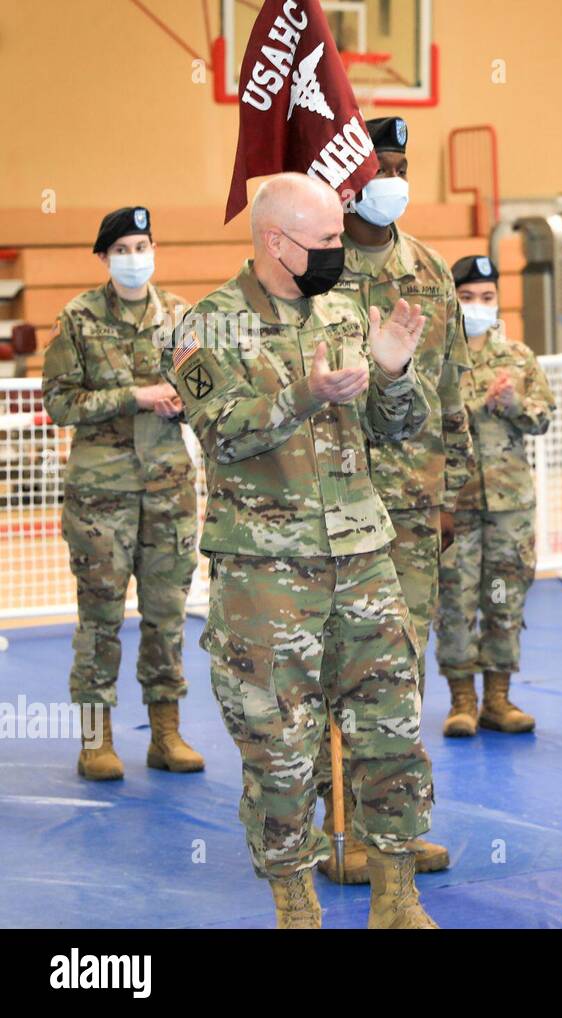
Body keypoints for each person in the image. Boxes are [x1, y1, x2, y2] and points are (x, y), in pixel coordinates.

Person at [172, 172, 436, 929]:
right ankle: (296, 902)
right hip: (265, 572)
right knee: (279, 745)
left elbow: (396, 430)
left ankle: (395, 894)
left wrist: (392, 372)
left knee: (392, 729)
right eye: (324, 242)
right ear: (275, 242)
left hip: (363, 558)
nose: (338, 253)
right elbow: (224, 430)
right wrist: (306, 395)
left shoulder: (348, 310)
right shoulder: (203, 327)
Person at [311, 115, 472, 883]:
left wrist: (455, 498)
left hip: (410, 507)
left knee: (398, 668)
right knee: (329, 668)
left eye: (402, 164)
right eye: (379, 165)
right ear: (347, 176)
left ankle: (395, 828)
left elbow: (452, 390)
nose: (392, 179)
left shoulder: (432, 272)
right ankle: (334, 825)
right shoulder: (314, 268)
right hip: (328, 504)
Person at [42, 207, 204, 781]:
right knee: (99, 619)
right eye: (124, 248)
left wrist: (187, 398)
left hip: (168, 490)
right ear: (105, 257)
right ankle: (96, 742)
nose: (136, 257)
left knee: (166, 617)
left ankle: (166, 734)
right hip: (101, 497)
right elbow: (60, 403)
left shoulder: (182, 315)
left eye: (143, 245)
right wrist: (133, 396)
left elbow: (203, 388)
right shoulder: (78, 318)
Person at [435, 255, 554, 737]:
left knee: (505, 600)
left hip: (510, 506)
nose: (478, 306)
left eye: (487, 297)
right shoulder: (437, 359)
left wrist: (516, 405)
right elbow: (418, 422)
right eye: (467, 298)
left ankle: (498, 699)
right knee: (455, 600)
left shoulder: (519, 357)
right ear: (452, 301)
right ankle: (462, 701)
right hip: (454, 504)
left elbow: (544, 417)